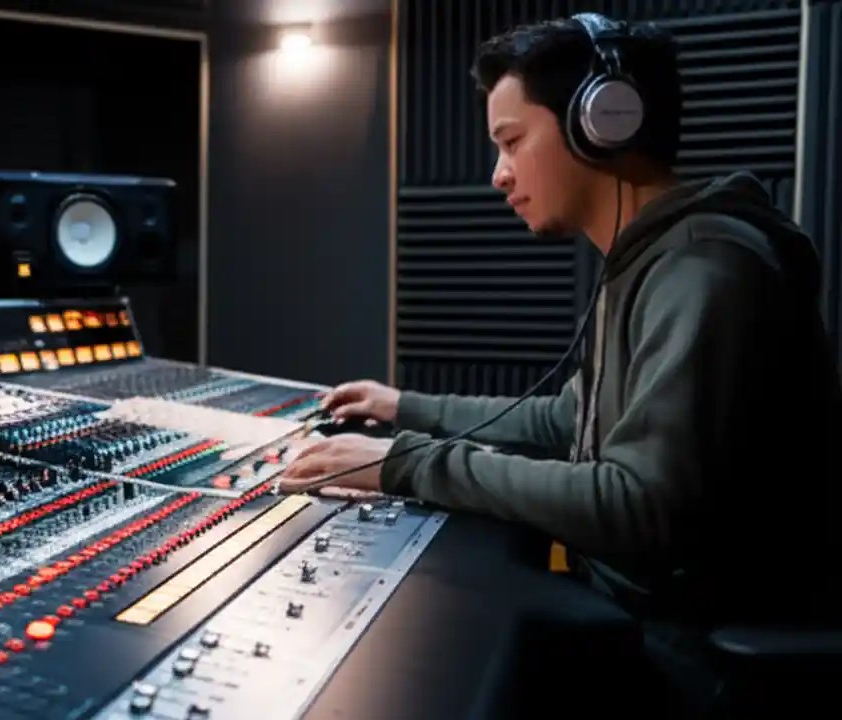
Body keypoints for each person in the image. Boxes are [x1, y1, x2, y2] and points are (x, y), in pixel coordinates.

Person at [279, 12, 842, 712]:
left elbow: (642, 506)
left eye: (511, 141)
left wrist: (401, 465)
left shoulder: (705, 270)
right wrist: (402, 409)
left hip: (694, 651)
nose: (498, 175)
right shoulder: (652, 257)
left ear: (602, 124)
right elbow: (567, 420)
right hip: (650, 614)